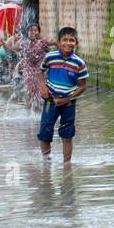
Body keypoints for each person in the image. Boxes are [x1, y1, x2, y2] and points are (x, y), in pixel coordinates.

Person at [38, 27, 88, 162]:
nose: (68, 43)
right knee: (45, 132)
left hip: (69, 103)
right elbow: (40, 71)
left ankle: (67, 165)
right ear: (59, 43)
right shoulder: (50, 57)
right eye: (65, 40)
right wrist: (43, 88)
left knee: (67, 134)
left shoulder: (79, 63)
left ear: (77, 43)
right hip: (50, 100)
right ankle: (47, 163)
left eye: (71, 40)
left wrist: (67, 99)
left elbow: (82, 86)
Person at [19, 23, 51, 108]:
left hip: (40, 72)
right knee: (30, 93)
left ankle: (41, 114)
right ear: (27, 32)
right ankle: (29, 115)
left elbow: (50, 51)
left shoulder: (43, 42)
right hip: (28, 72)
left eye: (35, 30)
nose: (33, 32)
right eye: (30, 30)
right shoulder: (24, 43)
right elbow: (12, 48)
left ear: (39, 32)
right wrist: (3, 42)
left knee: (41, 93)